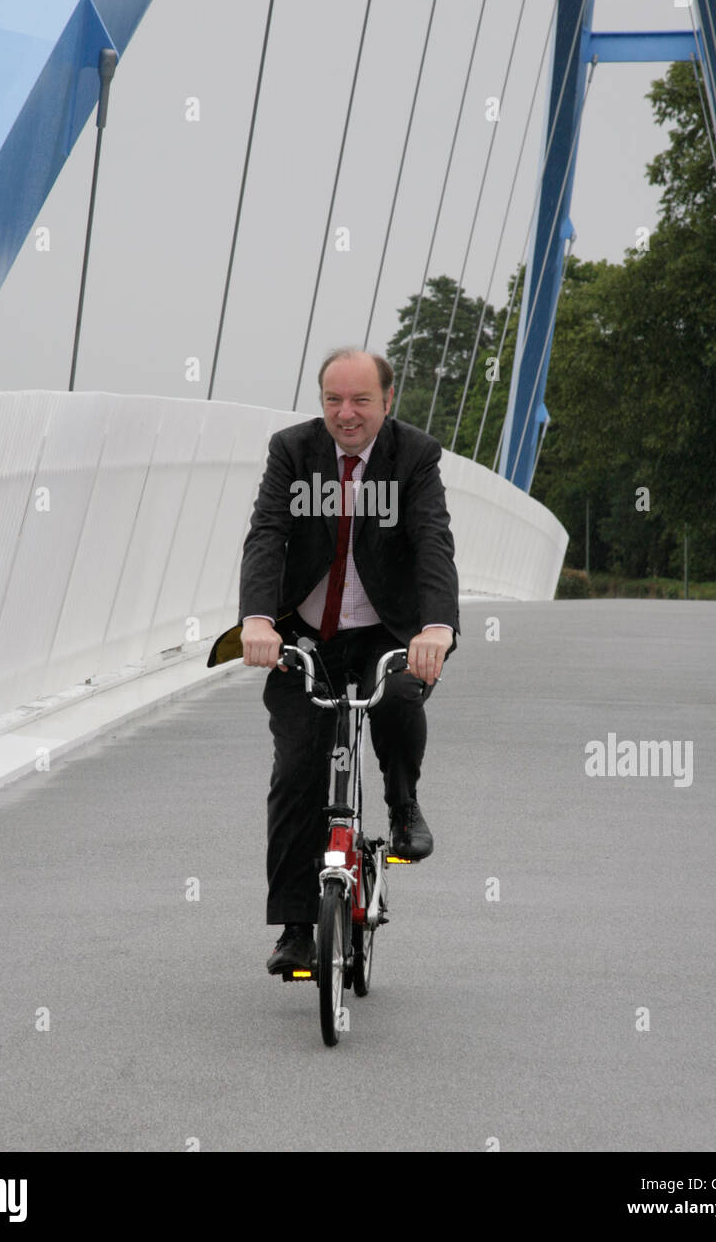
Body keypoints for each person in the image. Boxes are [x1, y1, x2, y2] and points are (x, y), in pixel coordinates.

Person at [210, 347, 460, 975]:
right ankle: (297, 929)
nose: (345, 415)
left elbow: (432, 538)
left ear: (387, 400)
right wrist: (259, 620)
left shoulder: (416, 457)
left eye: (360, 401)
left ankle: (403, 807)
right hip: (307, 635)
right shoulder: (292, 452)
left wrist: (436, 627)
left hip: (384, 629)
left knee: (400, 695)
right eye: (333, 401)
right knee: (297, 765)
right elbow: (268, 532)